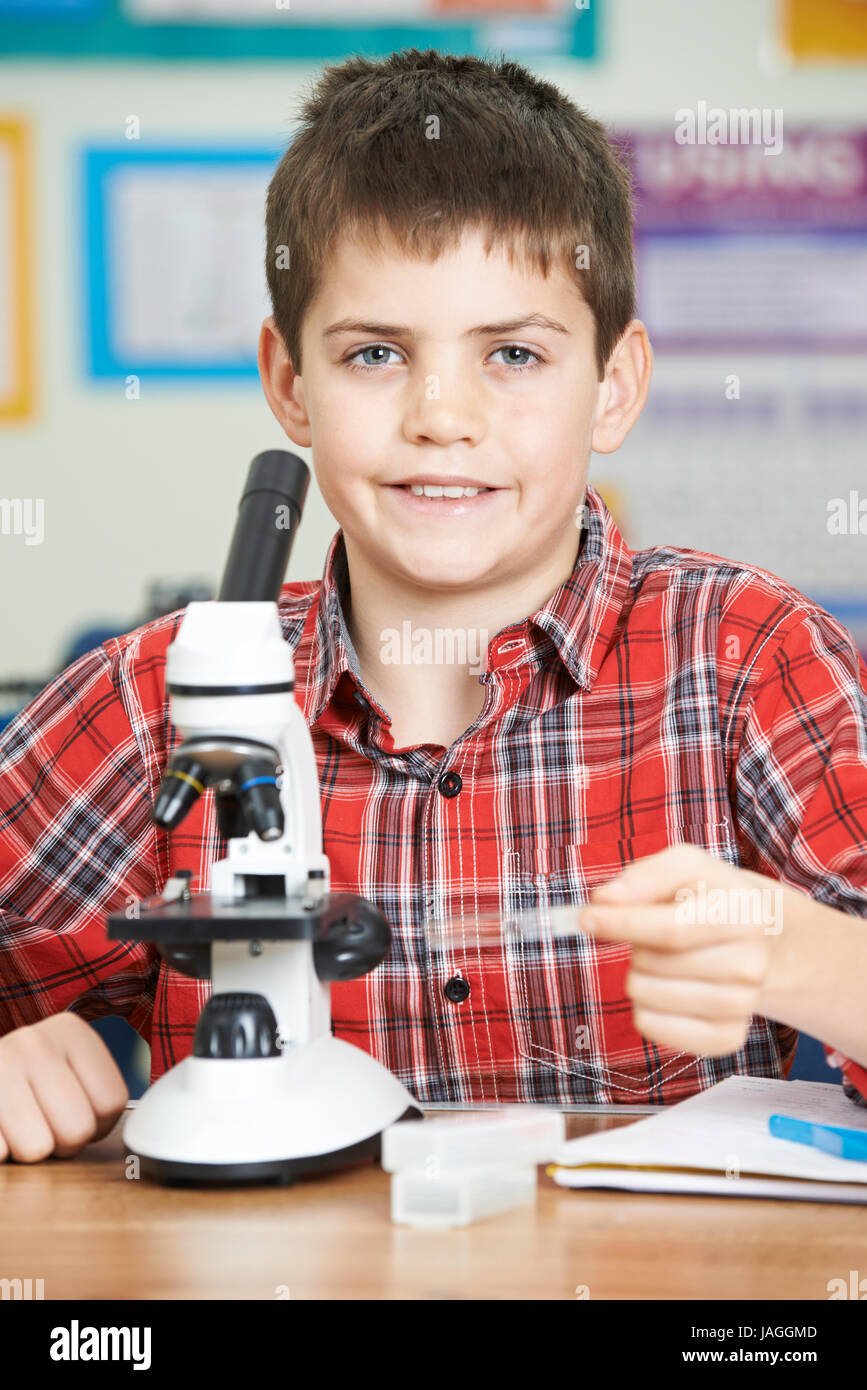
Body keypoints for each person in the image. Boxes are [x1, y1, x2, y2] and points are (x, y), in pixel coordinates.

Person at [1, 49, 865, 1164]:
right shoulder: (158, 701)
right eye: (375, 353)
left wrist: (809, 961)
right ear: (289, 383)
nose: (442, 416)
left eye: (512, 352)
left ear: (614, 385)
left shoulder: (745, 658)